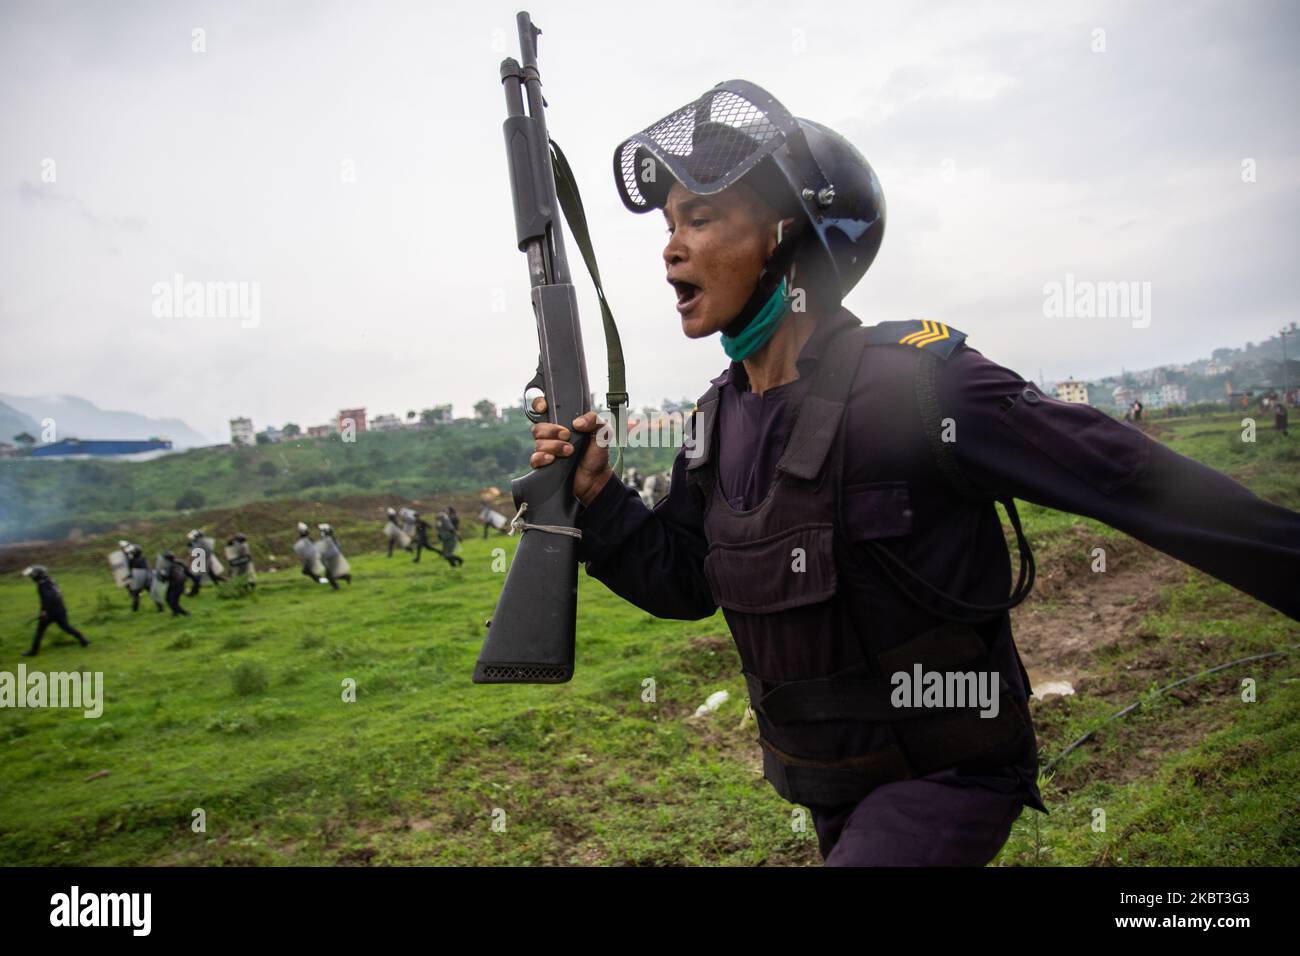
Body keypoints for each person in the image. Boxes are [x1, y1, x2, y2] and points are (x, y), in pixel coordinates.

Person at [527, 79, 1300, 866]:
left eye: (699, 217)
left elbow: (1135, 480)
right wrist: (597, 499)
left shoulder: (925, 386)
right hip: (831, 786)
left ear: (785, 236)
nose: (671, 247)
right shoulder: (715, 424)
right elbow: (688, 583)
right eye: (668, 224)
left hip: (948, 777)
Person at [20, 565, 90, 656]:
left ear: (38, 576)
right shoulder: (51, 581)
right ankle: (83, 640)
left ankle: (34, 651)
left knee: (40, 631)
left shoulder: (42, 585)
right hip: (60, 609)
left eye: (32, 575)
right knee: (66, 627)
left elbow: (47, 598)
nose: (31, 577)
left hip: (50, 612)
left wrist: (44, 611)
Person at [184, 529, 226, 596]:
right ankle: (224, 584)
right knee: (213, 576)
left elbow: (198, 553)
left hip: (203, 563)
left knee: (197, 578)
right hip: (204, 562)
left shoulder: (202, 543)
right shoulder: (202, 542)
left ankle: (193, 592)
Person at [158, 550, 199, 617]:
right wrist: (195, 580)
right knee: (170, 600)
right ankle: (175, 613)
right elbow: (188, 572)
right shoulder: (180, 563)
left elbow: (166, 578)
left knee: (172, 602)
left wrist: (162, 574)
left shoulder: (168, 566)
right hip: (180, 585)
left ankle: (186, 614)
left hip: (174, 586)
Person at [316, 523, 352, 588]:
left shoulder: (330, 538)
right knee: (331, 574)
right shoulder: (329, 538)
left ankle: (337, 586)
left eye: (322, 530)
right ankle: (346, 577)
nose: (321, 532)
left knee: (328, 575)